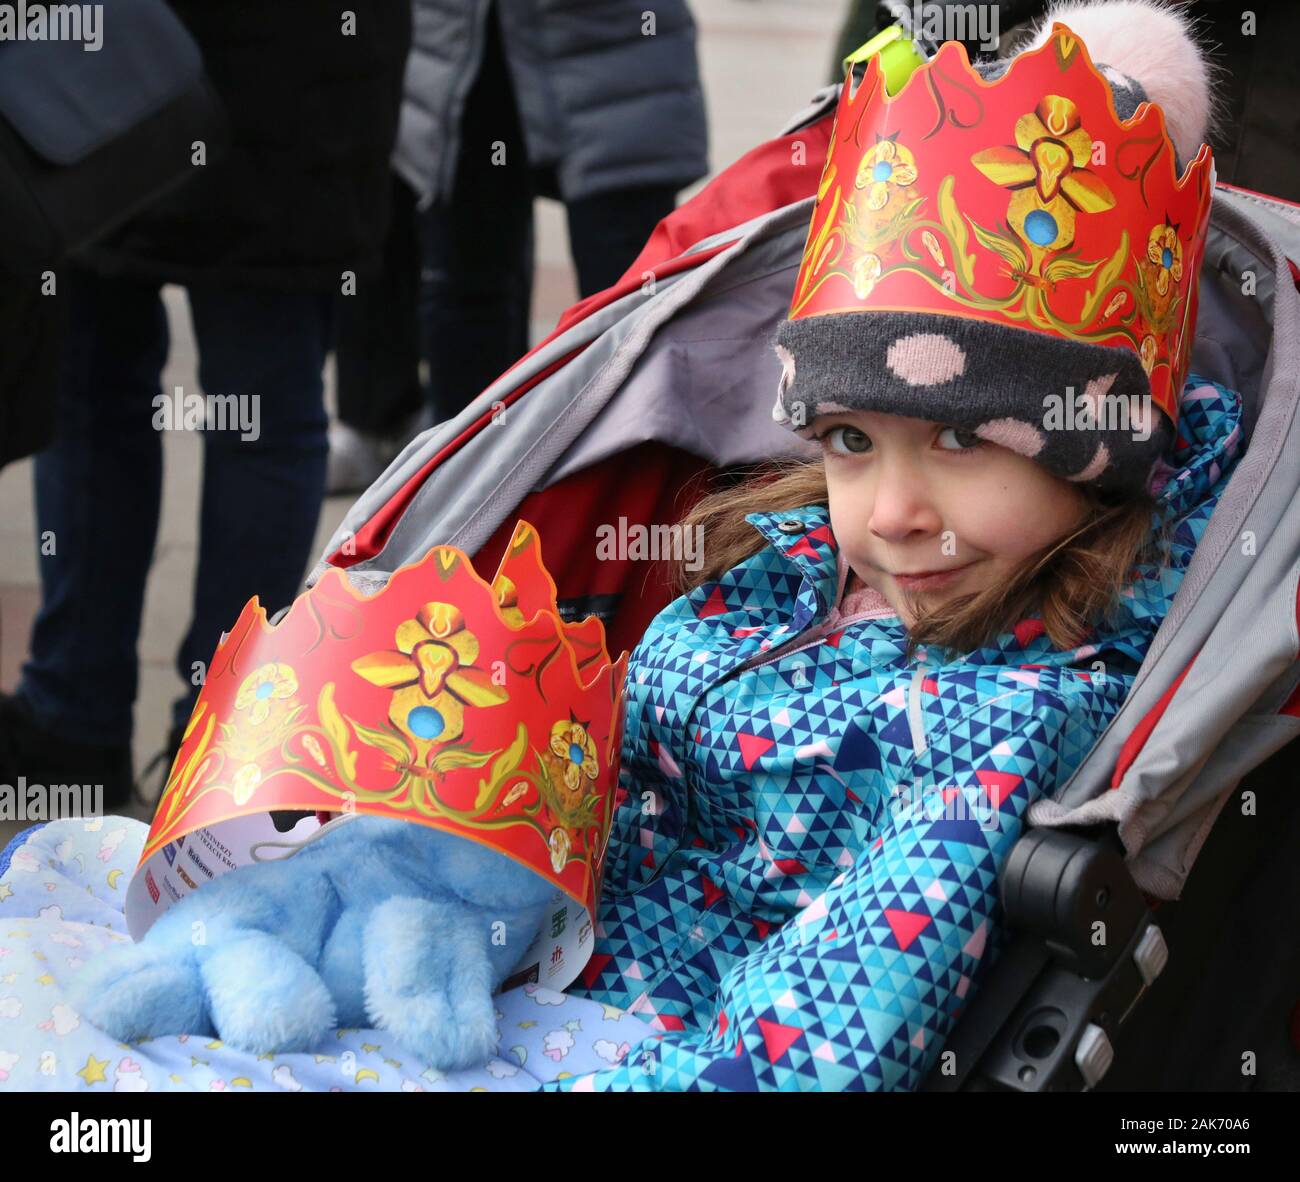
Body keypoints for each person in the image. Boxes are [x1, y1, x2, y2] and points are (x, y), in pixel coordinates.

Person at [0, 1, 1243, 1091]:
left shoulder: (1002, 720)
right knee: (58, 888)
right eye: (852, 442)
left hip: (637, 1045)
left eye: (963, 443)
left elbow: (824, 1033)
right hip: (509, 943)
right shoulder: (798, 573)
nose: (890, 511)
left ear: (1098, 461)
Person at [0, 3, 412, 808]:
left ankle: (150, 731)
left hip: (200, 67)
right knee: (141, 388)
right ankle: (188, 740)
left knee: (168, 395)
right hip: (207, 65)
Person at [327, 0, 709, 492]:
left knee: (630, 303)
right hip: (459, 46)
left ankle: (633, 489)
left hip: (611, 49)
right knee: (465, 287)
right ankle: (463, 491)